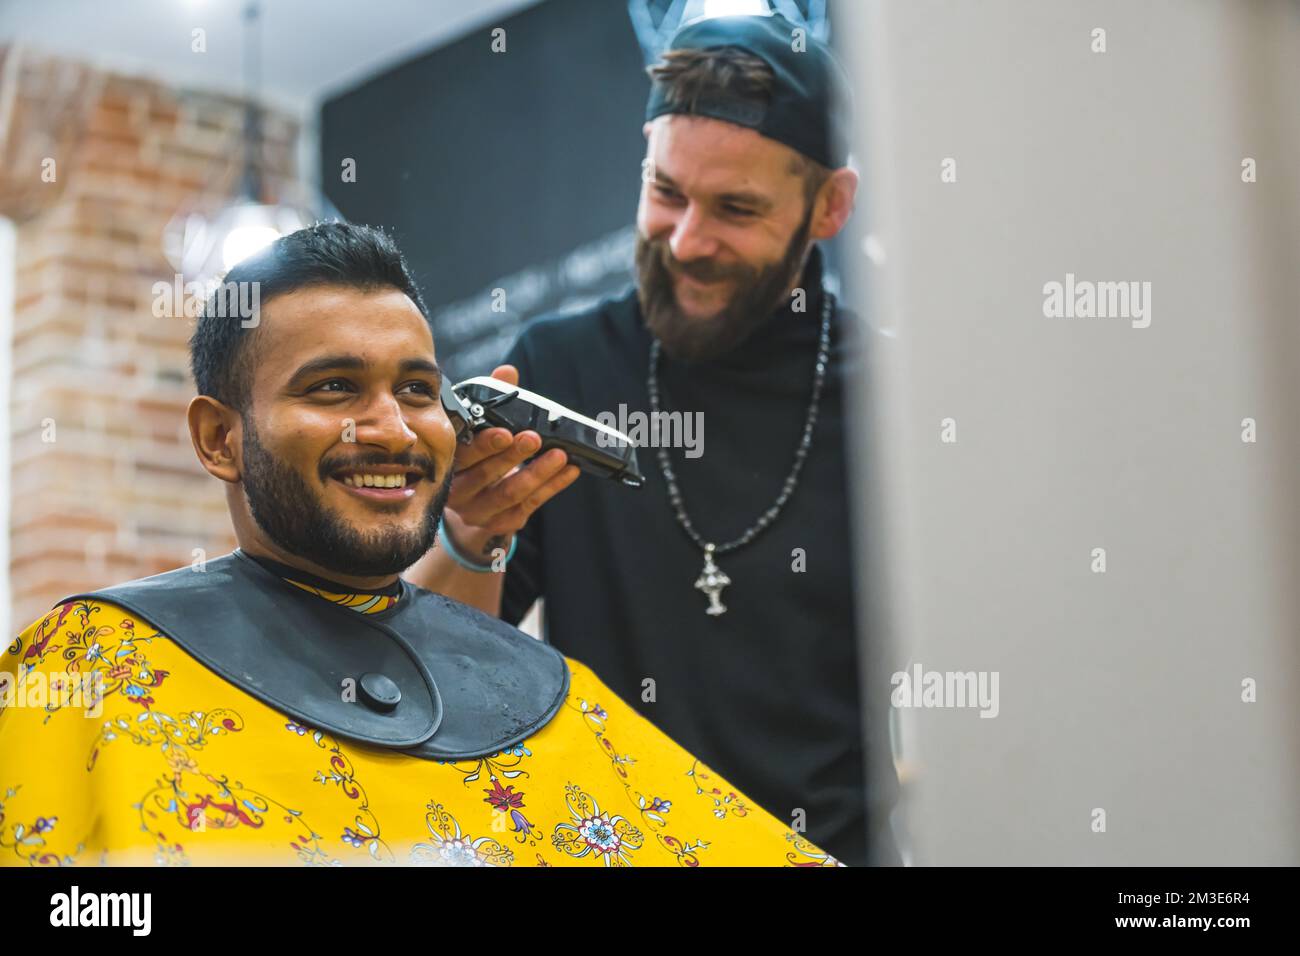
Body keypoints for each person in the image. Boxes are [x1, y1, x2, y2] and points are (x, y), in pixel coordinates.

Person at [0, 222, 839, 867]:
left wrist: (473, 546)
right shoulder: (95, 665)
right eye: (333, 388)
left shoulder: (545, 688)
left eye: (417, 389)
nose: (392, 429)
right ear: (221, 439)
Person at [406, 13, 899, 866]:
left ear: (830, 206)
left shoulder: (890, 404)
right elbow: (444, 674)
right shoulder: (560, 365)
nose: (687, 241)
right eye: (666, 192)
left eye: (736, 209)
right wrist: (468, 532)